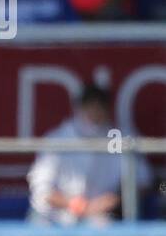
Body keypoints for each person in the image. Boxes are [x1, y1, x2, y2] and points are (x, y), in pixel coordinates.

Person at [28, 82, 151, 224]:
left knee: (105, 229)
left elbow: (142, 181)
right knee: (39, 228)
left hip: (98, 216)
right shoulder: (57, 138)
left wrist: (111, 200)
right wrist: (75, 205)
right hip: (53, 216)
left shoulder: (117, 138)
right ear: (79, 107)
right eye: (90, 105)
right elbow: (42, 191)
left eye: (100, 105)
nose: (95, 110)